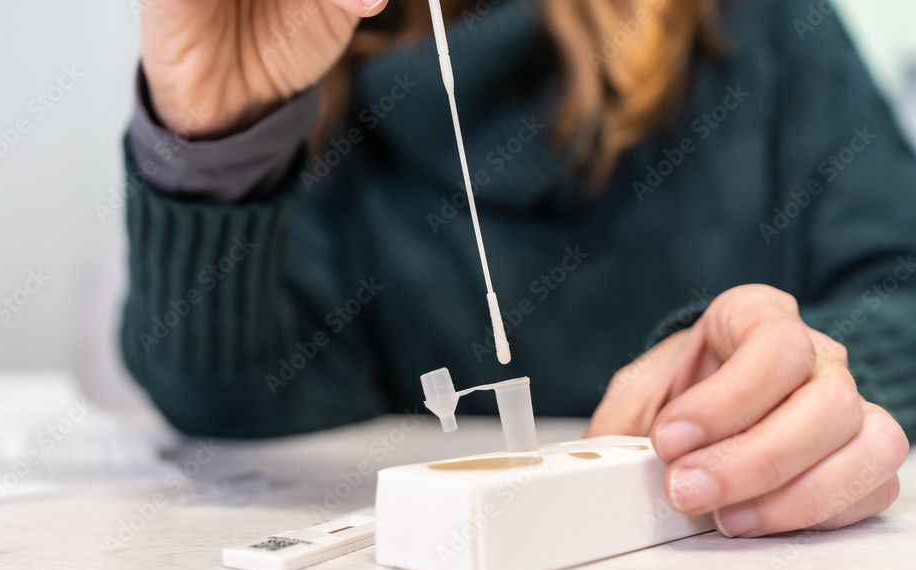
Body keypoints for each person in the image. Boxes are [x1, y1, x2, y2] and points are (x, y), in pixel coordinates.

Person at [120, 0, 914, 539]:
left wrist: (806, 380)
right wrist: (217, 150)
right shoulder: (309, 71)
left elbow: (904, 287)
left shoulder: (758, 28)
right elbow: (235, 403)